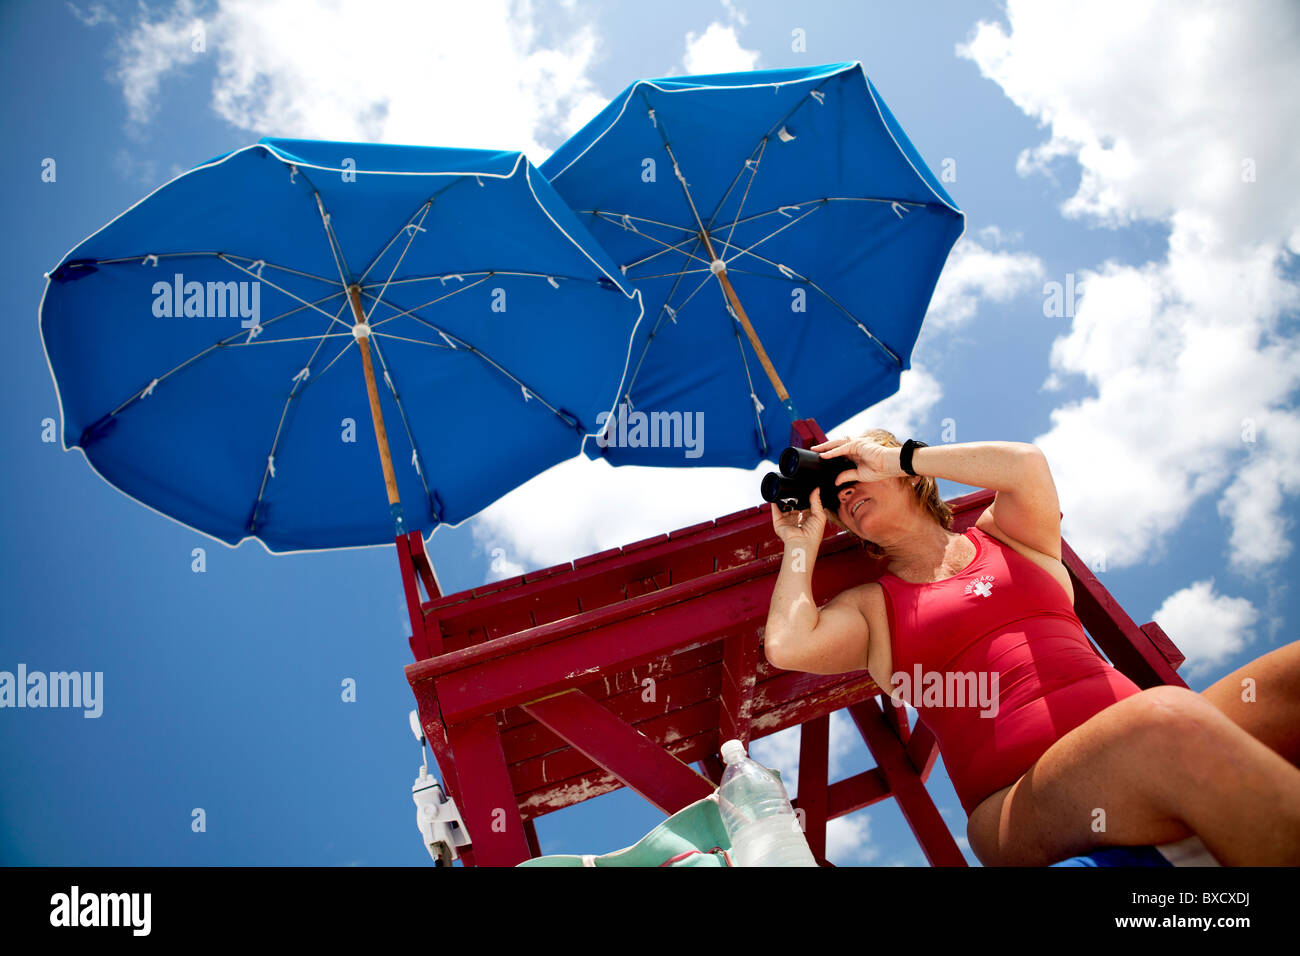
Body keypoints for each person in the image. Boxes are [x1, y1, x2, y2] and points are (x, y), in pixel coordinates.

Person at [763, 428, 1300, 866]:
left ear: (907, 478)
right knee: (1163, 720)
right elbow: (788, 644)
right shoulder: (872, 607)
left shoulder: (1006, 537)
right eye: (835, 499)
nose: (845, 495)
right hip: (1020, 803)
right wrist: (800, 542)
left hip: (1153, 740)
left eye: (850, 478)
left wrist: (899, 455)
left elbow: (1026, 465)